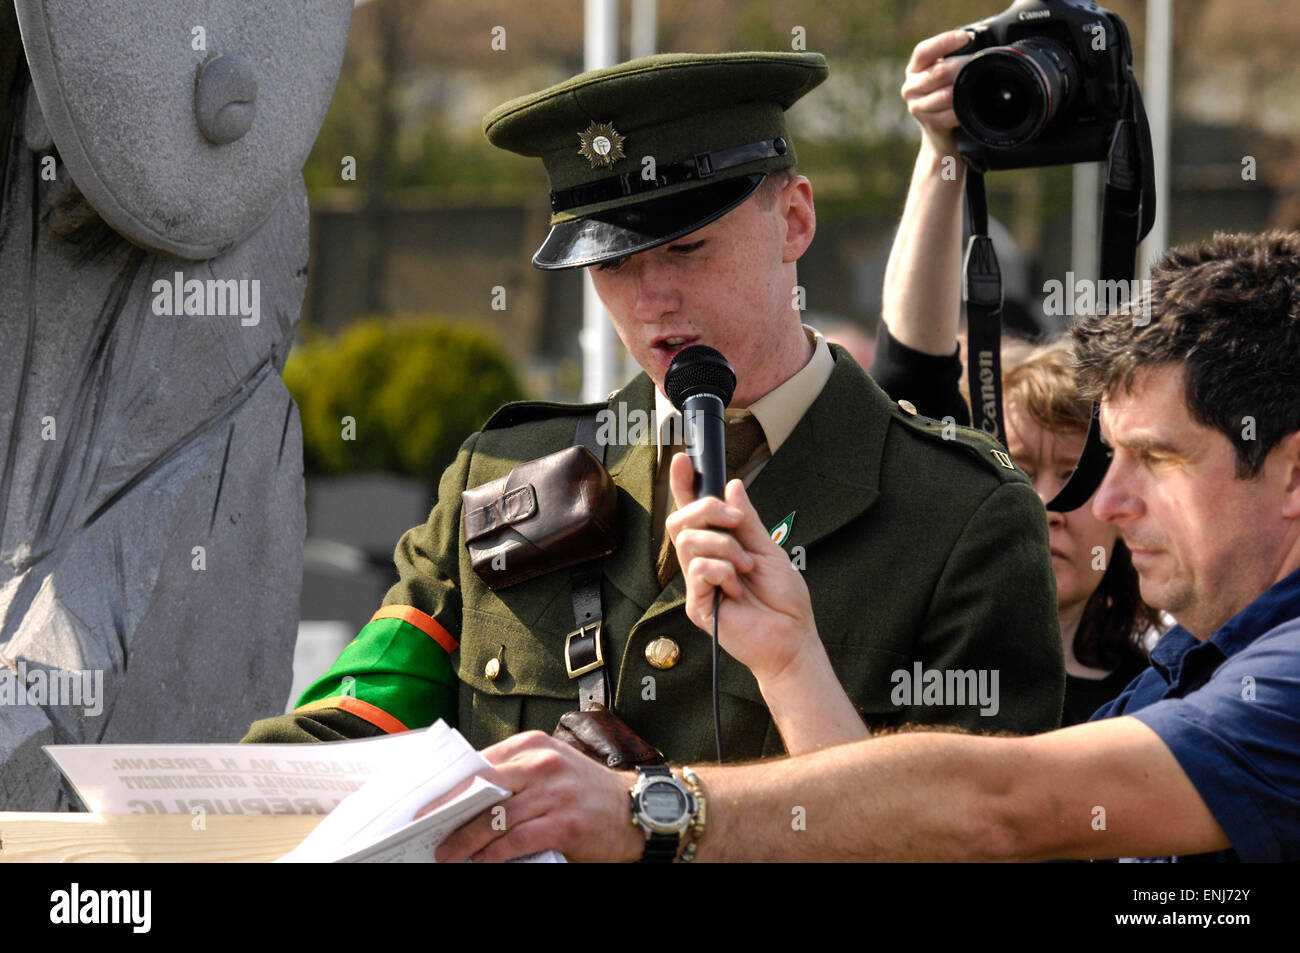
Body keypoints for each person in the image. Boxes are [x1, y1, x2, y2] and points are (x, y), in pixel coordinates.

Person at [244, 53, 1064, 787]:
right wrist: (178, 806)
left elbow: (973, 833)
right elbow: (353, 726)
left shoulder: (960, 516)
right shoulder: (503, 474)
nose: (649, 300)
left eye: (686, 248)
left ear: (796, 220)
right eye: (611, 264)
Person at [434, 229, 1300, 864]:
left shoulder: (1284, 678)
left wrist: (645, 808)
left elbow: (997, 809)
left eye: (1158, 458)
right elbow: (923, 844)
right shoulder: (1193, 661)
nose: (1108, 500)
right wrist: (791, 663)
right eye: (615, 261)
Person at [870, 29, 1161, 725]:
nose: (1047, 504)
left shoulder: (1163, 700)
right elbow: (910, 368)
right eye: (1019, 465)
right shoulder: (917, 669)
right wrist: (940, 153)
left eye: (1078, 471)